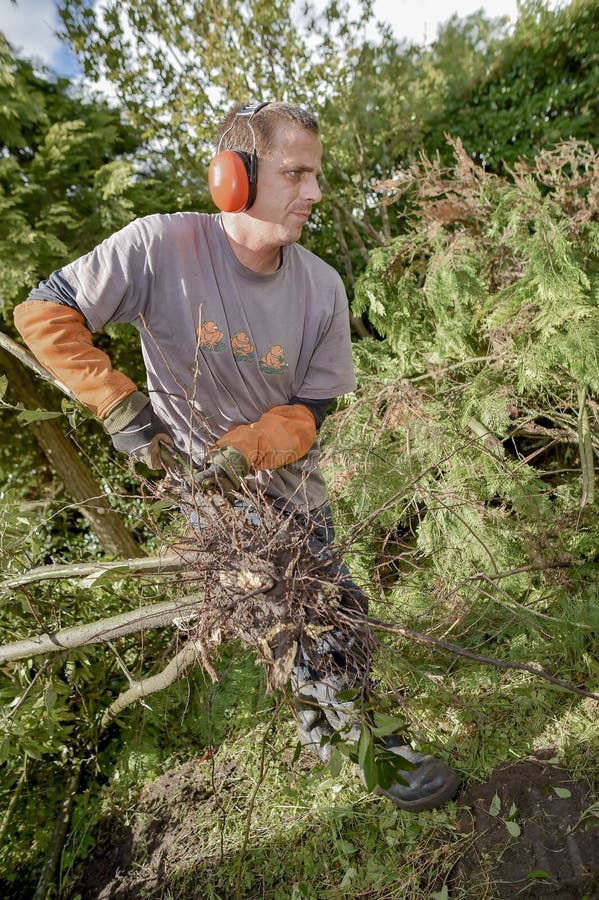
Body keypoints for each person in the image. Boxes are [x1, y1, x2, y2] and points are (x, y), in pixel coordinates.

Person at [13, 100, 459, 812]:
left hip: (294, 489)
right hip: (207, 501)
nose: (315, 192)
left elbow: (312, 410)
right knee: (302, 613)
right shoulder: (161, 246)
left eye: (316, 175)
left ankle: (332, 728)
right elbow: (44, 312)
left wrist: (247, 449)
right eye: (296, 174)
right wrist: (121, 406)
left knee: (331, 607)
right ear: (234, 177)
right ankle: (376, 750)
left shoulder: (321, 287)